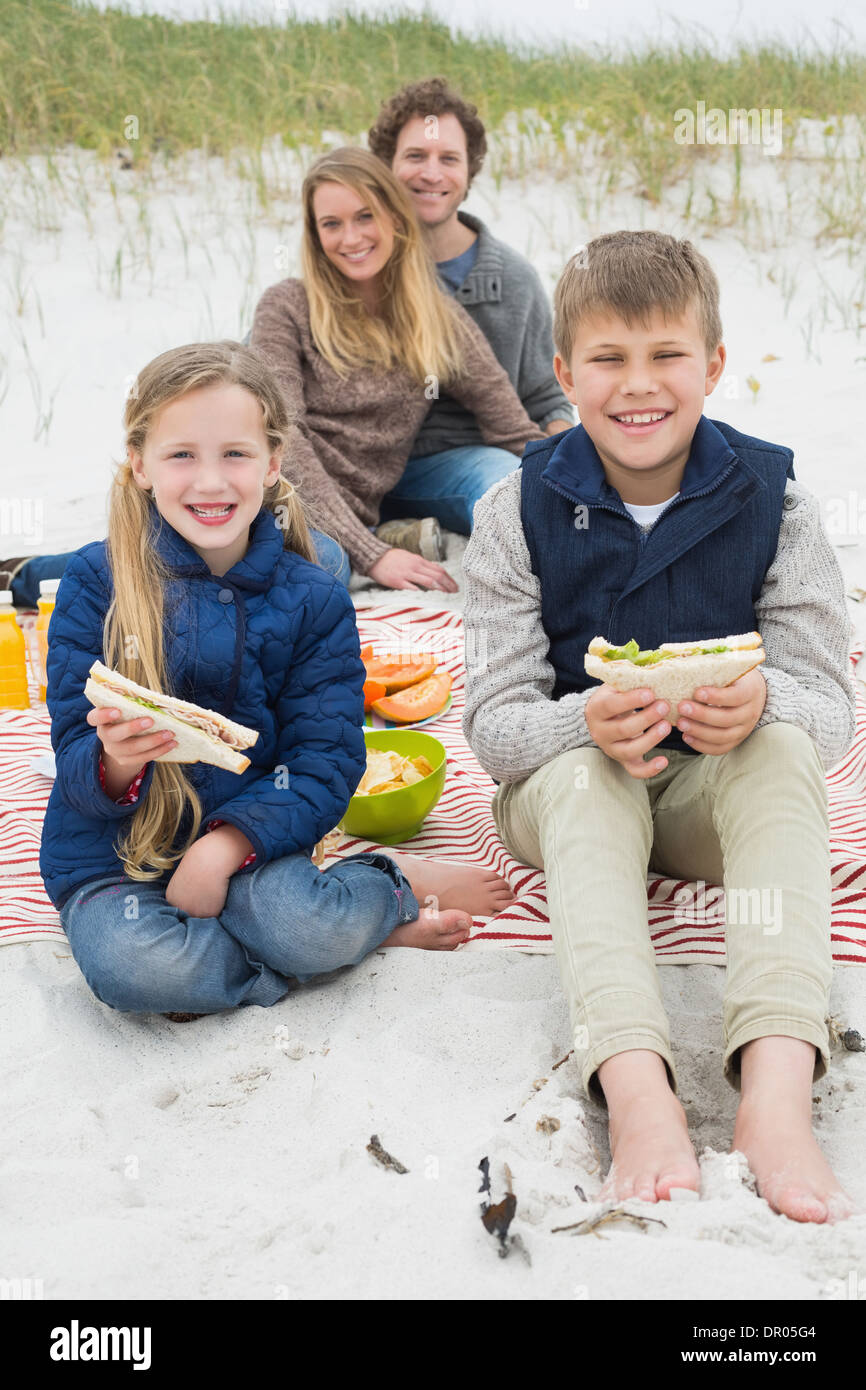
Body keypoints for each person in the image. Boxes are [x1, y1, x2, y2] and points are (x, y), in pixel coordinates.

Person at [461, 229, 858, 1223]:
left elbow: (829, 714)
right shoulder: (513, 511)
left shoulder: (778, 504)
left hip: (703, 810)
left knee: (778, 749)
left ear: (712, 364)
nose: (638, 385)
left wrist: (764, 702)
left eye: (665, 355)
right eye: (607, 358)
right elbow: (494, 727)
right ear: (564, 374)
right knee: (584, 780)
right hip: (563, 801)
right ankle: (638, 1091)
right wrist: (582, 724)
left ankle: (774, 1089)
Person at [39, 341, 516, 1018]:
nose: (211, 482)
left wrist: (225, 847)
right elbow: (70, 752)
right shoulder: (95, 583)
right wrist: (115, 762)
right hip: (114, 858)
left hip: (255, 845)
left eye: (235, 454)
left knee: (301, 925)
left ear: (271, 462)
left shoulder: (313, 597)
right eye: (182, 455)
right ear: (141, 464)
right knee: (135, 970)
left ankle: (380, 889)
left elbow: (325, 761)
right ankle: (342, 941)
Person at [248, 145, 544, 593]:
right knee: (324, 567)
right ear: (315, 234)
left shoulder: (437, 318)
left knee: (509, 480)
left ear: (395, 219)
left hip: (358, 514)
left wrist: (599, 482)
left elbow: (511, 427)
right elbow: (280, 433)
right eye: (331, 224)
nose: (351, 238)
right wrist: (372, 554)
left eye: (365, 216)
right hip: (279, 499)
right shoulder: (286, 305)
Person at [367, 77, 573, 534]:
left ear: (469, 170)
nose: (432, 173)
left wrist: (566, 465)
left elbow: (547, 396)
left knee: (510, 487)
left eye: (448, 158)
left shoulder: (514, 279)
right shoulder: (354, 259)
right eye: (415, 156)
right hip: (355, 464)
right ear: (386, 165)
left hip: (466, 464)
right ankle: (392, 535)